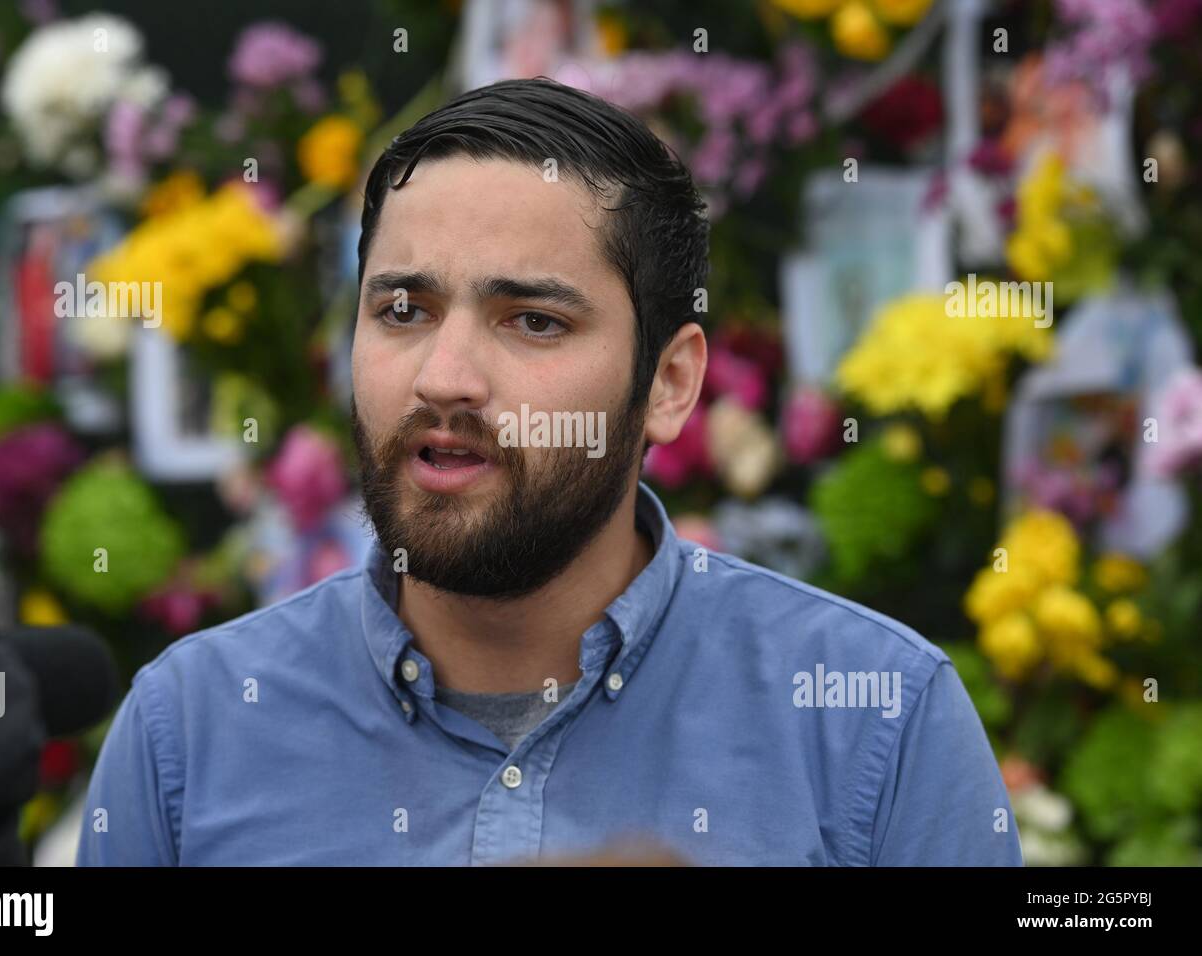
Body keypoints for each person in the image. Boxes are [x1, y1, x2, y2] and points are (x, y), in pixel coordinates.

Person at [77, 77, 1023, 866]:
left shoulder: (875, 719)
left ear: (669, 383)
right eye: (403, 310)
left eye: (534, 320)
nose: (444, 379)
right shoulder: (188, 733)